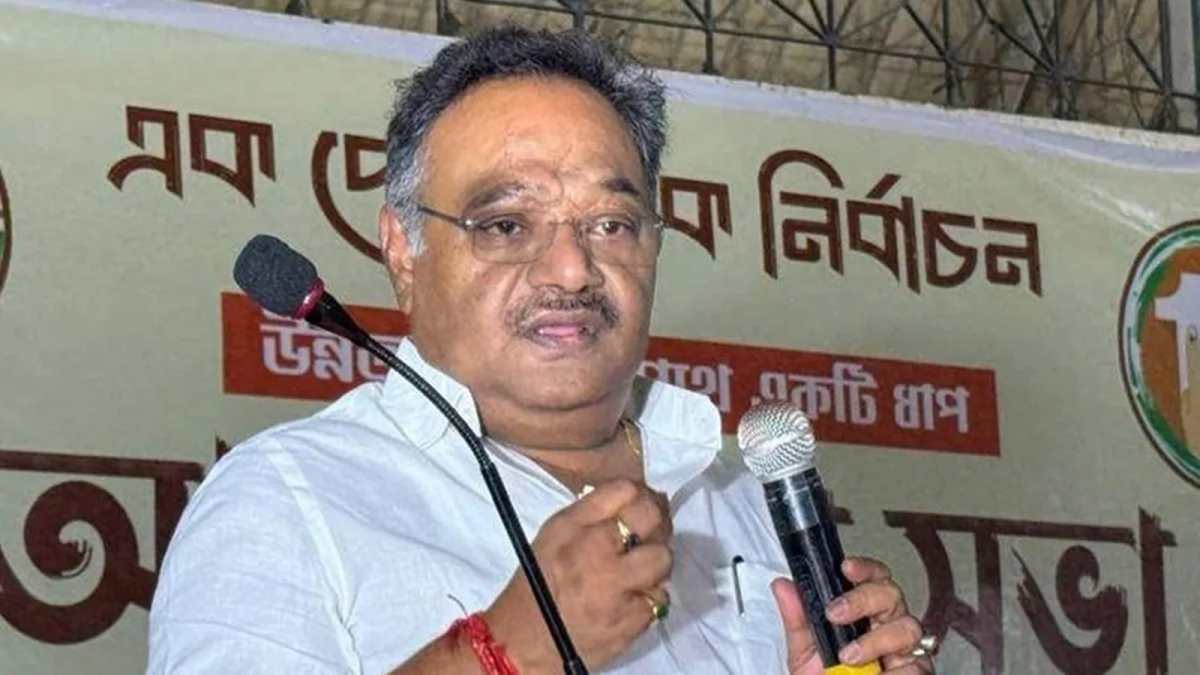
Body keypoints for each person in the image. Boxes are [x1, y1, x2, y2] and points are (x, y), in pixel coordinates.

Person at [147, 26, 934, 675]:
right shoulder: (286, 500)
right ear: (402, 251)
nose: (570, 269)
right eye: (505, 224)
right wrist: (502, 651)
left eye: (610, 224)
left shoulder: (739, 494)